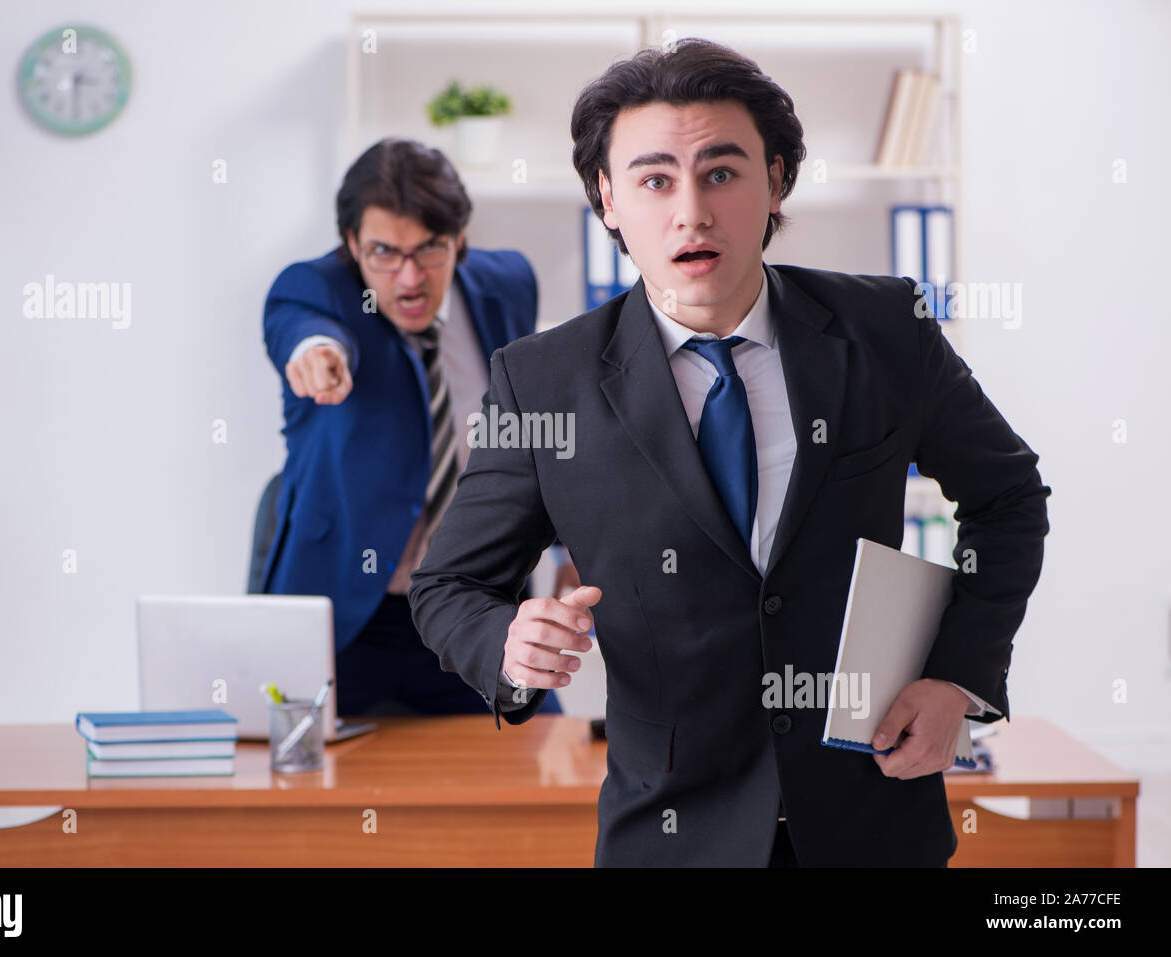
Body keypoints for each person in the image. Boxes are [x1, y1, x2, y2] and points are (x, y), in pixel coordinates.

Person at [409, 40, 1050, 865]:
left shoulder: (886, 331)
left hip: (875, 824)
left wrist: (958, 678)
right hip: (672, 838)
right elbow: (449, 585)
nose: (691, 212)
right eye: (653, 180)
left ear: (776, 180)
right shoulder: (543, 384)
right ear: (607, 198)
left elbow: (1007, 499)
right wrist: (506, 643)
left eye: (721, 172)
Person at [259, 138, 566, 717]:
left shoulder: (507, 285)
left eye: (430, 249)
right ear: (351, 245)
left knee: (538, 770)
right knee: (303, 794)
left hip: (475, 607)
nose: (408, 279)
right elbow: (301, 326)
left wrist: (571, 543)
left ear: (459, 239)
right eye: (383, 252)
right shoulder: (317, 290)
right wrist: (313, 350)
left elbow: (536, 429)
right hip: (348, 617)